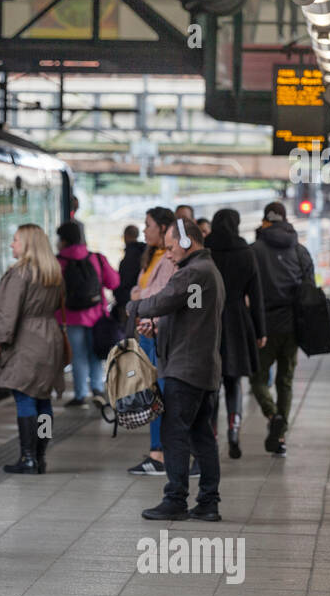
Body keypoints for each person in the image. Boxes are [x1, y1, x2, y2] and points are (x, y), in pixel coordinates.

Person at [129, 218, 225, 521]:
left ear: (187, 242)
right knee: (201, 437)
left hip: (186, 369)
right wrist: (159, 329)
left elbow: (163, 300)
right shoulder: (206, 271)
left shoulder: (195, 272)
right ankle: (208, 503)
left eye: (171, 248)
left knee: (175, 436)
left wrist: (135, 309)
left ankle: (175, 499)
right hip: (201, 366)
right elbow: (189, 315)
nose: (168, 254)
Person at [0, 224, 67, 475]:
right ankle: (41, 455)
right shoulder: (52, 272)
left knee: (24, 398)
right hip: (50, 337)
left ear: (27, 244)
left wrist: (0, 341)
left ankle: (27, 457)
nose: (11, 245)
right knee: (43, 399)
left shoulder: (21, 273)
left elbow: (9, 312)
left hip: (26, 339)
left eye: (15, 240)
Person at [249, 202, 314, 458]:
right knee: (285, 381)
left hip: (263, 325)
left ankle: (271, 413)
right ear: (286, 221)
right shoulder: (300, 251)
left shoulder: (253, 251)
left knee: (257, 377)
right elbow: (309, 288)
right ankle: (281, 434)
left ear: (264, 221)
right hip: (292, 326)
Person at [205, 209, 266, 459]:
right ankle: (233, 429)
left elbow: (196, 289)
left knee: (211, 384)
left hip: (209, 321)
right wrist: (261, 330)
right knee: (234, 382)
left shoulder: (206, 251)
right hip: (238, 321)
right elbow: (257, 294)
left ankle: (212, 434)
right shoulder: (246, 253)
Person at [126, 207, 178, 476]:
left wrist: (139, 297)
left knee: (158, 393)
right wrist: (140, 296)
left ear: (163, 228)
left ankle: (159, 453)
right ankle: (157, 450)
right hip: (146, 331)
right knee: (152, 392)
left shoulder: (169, 259)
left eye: (148, 225)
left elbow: (159, 295)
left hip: (157, 332)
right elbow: (141, 291)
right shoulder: (153, 255)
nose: (144, 230)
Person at [56, 221, 120, 407]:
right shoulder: (96, 258)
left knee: (78, 356)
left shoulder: (59, 262)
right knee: (95, 353)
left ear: (64, 240)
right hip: (96, 315)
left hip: (70, 317)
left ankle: (80, 394)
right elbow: (114, 282)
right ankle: (97, 389)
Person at [113, 224, 145, 328]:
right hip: (142, 301)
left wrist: (118, 296)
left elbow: (122, 281)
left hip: (127, 302)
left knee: (129, 336)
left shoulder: (129, 258)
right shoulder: (145, 252)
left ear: (126, 236)